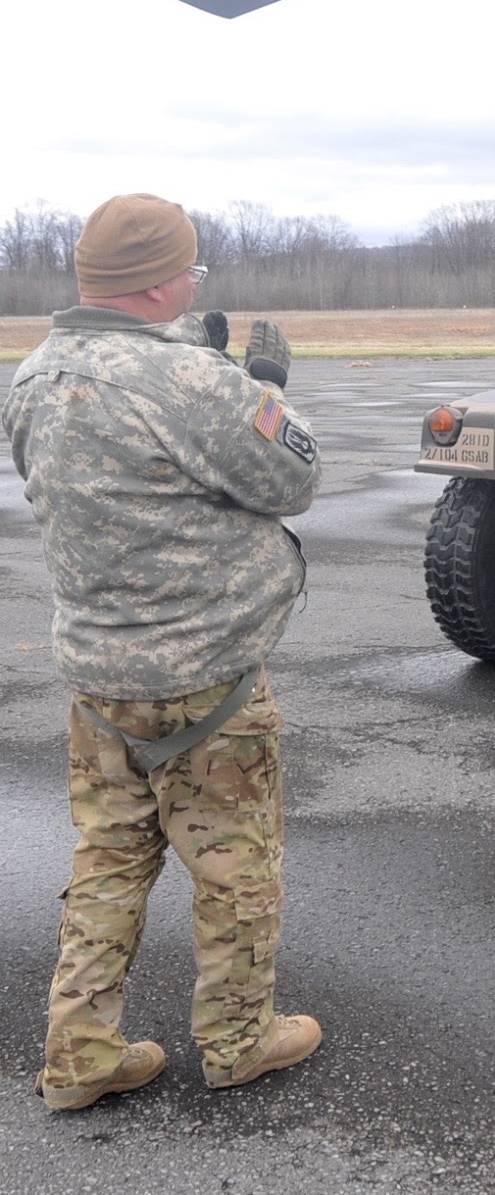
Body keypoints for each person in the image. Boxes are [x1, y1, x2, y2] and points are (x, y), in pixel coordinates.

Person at [1, 193, 323, 1110]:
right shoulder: (188, 381)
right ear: (155, 284)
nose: (193, 285)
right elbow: (293, 479)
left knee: (108, 859)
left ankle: (81, 1055)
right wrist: (259, 391)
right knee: (237, 869)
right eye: (188, 271)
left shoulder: (33, 377)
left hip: (100, 682)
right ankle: (239, 1041)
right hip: (204, 679)